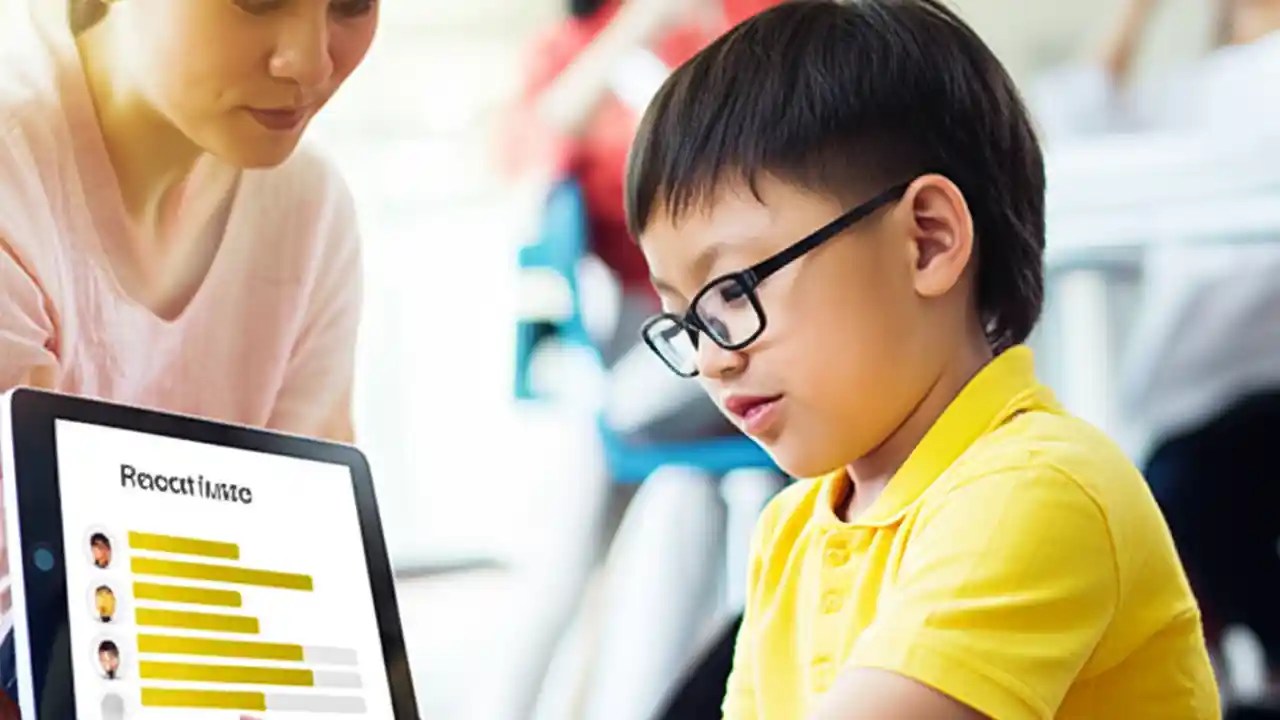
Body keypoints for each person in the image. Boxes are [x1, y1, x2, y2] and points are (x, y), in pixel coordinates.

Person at [625, 1, 1220, 717]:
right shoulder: (791, 532)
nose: (712, 360)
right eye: (684, 320)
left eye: (732, 290)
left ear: (928, 241)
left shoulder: (1038, 492)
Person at [0, 0, 379, 706]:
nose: (311, 61)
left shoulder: (309, 208)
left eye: (352, 4)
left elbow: (303, 602)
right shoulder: (15, 173)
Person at [1033, 0, 1280, 698]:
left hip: (1256, 381)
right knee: (1158, 505)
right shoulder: (1194, 93)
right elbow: (1073, 135)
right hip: (1196, 392)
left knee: (1182, 497)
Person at [507, 0, 777, 442]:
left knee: (609, 425)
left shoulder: (748, 15)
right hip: (645, 310)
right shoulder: (577, 36)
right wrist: (634, 28)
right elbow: (531, 151)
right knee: (617, 431)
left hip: (755, 290)